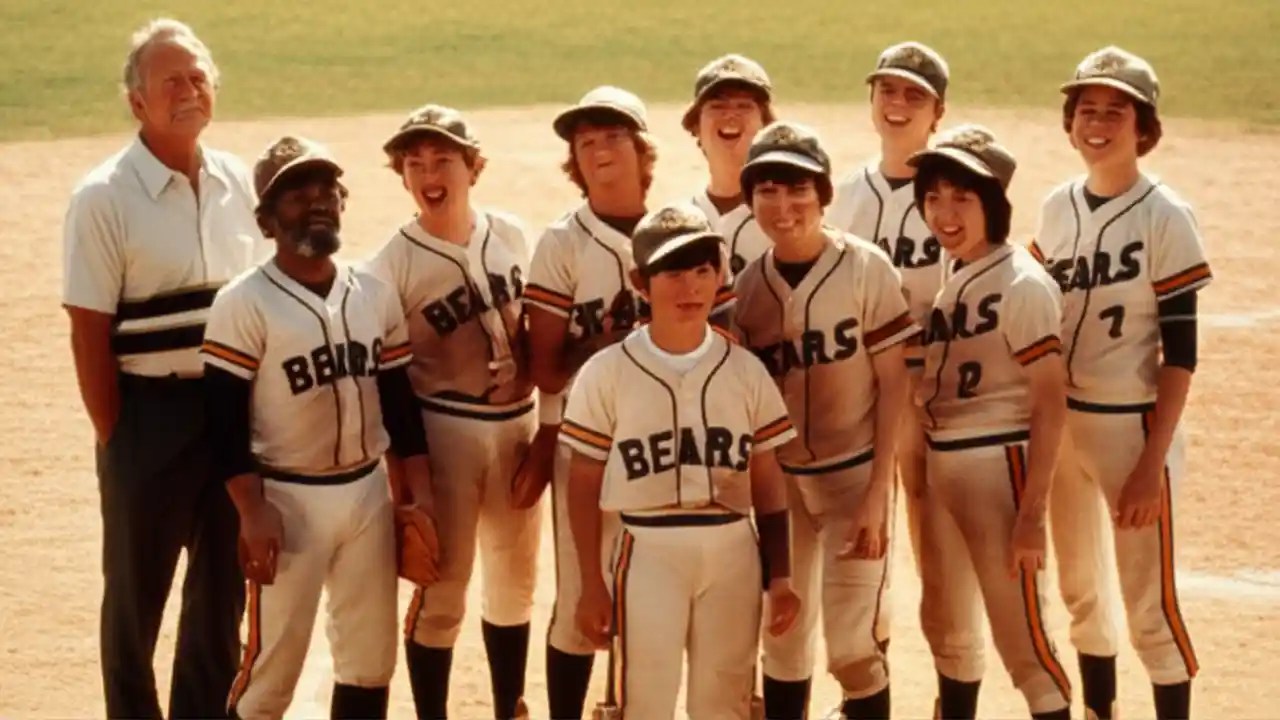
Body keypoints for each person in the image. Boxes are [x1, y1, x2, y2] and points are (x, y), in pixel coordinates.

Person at [60, 18, 265, 718]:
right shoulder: (104, 197)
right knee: (135, 599)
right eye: (170, 80)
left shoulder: (241, 180)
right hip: (147, 414)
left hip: (231, 412)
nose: (189, 89)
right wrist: (116, 432)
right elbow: (89, 328)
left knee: (221, 591)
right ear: (137, 101)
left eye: (199, 75)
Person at [204, 135, 438, 719]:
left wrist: (420, 492)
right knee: (271, 673)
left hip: (366, 496)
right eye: (296, 192)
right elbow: (222, 419)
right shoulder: (244, 302)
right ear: (265, 220)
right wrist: (252, 510)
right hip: (287, 498)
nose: (316, 201)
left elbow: (400, 405)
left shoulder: (374, 295)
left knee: (369, 662)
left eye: (326, 189)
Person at [562, 202, 800, 719]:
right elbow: (581, 482)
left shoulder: (745, 370)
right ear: (640, 283)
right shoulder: (607, 373)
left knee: (725, 701)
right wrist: (589, 583)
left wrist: (780, 574)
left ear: (720, 277)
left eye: (702, 270)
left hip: (734, 547)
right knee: (645, 699)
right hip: (646, 547)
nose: (690, 287)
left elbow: (767, 477)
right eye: (672, 272)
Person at [1034, 46, 1207, 720]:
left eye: (1114, 111)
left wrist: (1151, 464)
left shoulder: (1166, 215)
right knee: (1082, 592)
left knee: (1148, 604)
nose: (1097, 123)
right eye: (1086, 110)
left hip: (1131, 428)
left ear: (1144, 128)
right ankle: (1100, 712)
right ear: (1070, 122)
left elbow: (1182, 354)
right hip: (1061, 427)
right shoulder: (1055, 208)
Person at [733, 121, 918, 719]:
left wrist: (876, 494)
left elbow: (895, 382)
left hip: (852, 480)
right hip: (783, 487)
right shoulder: (746, 288)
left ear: (823, 193)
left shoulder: (866, 269)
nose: (783, 207)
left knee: (853, 649)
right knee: (782, 641)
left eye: (797, 190)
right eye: (767, 191)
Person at [365, 104, 540, 719]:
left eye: (443, 160)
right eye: (414, 163)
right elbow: (379, 381)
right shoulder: (388, 266)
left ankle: (506, 706)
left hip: (518, 427)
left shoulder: (513, 234)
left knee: (515, 584)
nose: (429, 173)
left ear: (474, 166)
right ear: (402, 175)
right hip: (446, 433)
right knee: (444, 588)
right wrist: (404, 480)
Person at [909, 124, 1073, 720]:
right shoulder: (954, 280)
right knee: (949, 634)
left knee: (1024, 643)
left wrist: (1032, 516)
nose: (944, 213)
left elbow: (1051, 402)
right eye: (933, 197)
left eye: (961, 198)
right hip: (947, 469)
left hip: (999, 469)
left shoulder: (1022, 285)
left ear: (994, 206)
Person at [521, 85, 658, 718]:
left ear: (641, 149)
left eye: (612, 136)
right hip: (587, 442)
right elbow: (545, 371)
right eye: (586, 142)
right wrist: (611, 343)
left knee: (655, 597)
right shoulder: (562, 243)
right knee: (581, 599)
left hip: (664, 441)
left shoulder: (678, 231)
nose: (599, 150)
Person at [825, 41, 950, 572]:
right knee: (860, 533)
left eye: (914, 96)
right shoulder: (845, 193)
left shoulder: (955, 191)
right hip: (857, 390)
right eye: (888, 91)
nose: (897, 104)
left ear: (937, 112)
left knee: (933, 533)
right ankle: (872, 650)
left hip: (929, 388)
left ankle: (949, 651)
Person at [681, 53, 777, 277]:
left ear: (766, 125)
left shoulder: (787, 219)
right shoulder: (681, 219)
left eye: (744, 106)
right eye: (717, 106)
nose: (730, 115)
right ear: (696, 126)